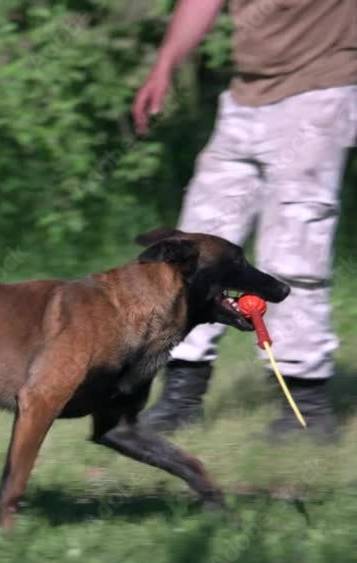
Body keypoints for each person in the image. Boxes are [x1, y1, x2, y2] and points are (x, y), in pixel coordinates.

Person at [131, 0, 356, 442]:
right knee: (193, 252)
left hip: (320, 91)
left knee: (293, 251)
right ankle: (181, 396)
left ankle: (305, 405)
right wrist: (164, 65)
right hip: (245, 96)